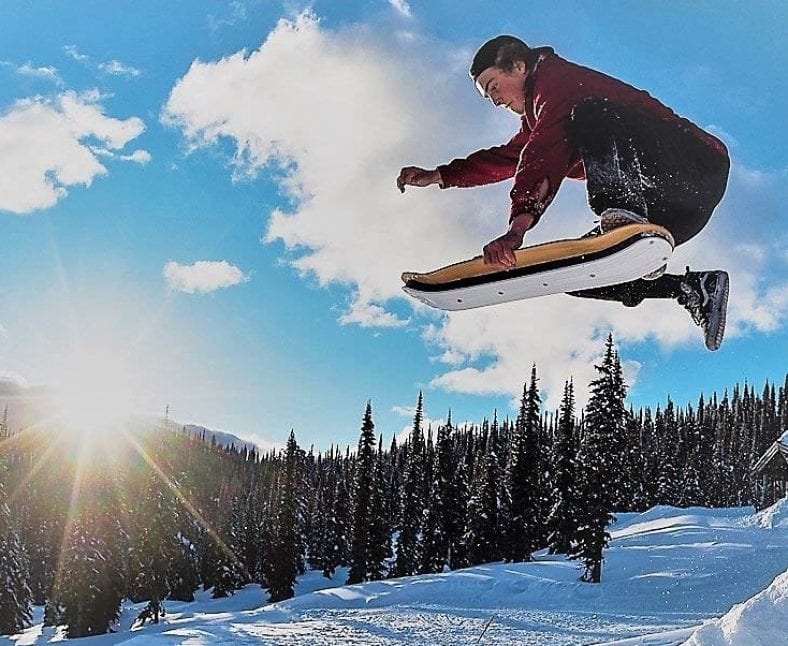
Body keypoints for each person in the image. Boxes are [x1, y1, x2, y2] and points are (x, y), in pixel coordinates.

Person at [397, 35, 731, 351]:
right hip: (677, 211)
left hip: (697, 162)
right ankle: (693, 288)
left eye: (494, 87)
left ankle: (622, 219)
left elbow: (540, 156)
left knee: (589, 113)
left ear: (518, 66)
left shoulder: (558, 84)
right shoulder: (543, 118)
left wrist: (516, 231)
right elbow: (510, 157)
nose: (495, 100)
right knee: (583, 274)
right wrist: (440, 176)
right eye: (488, 96)